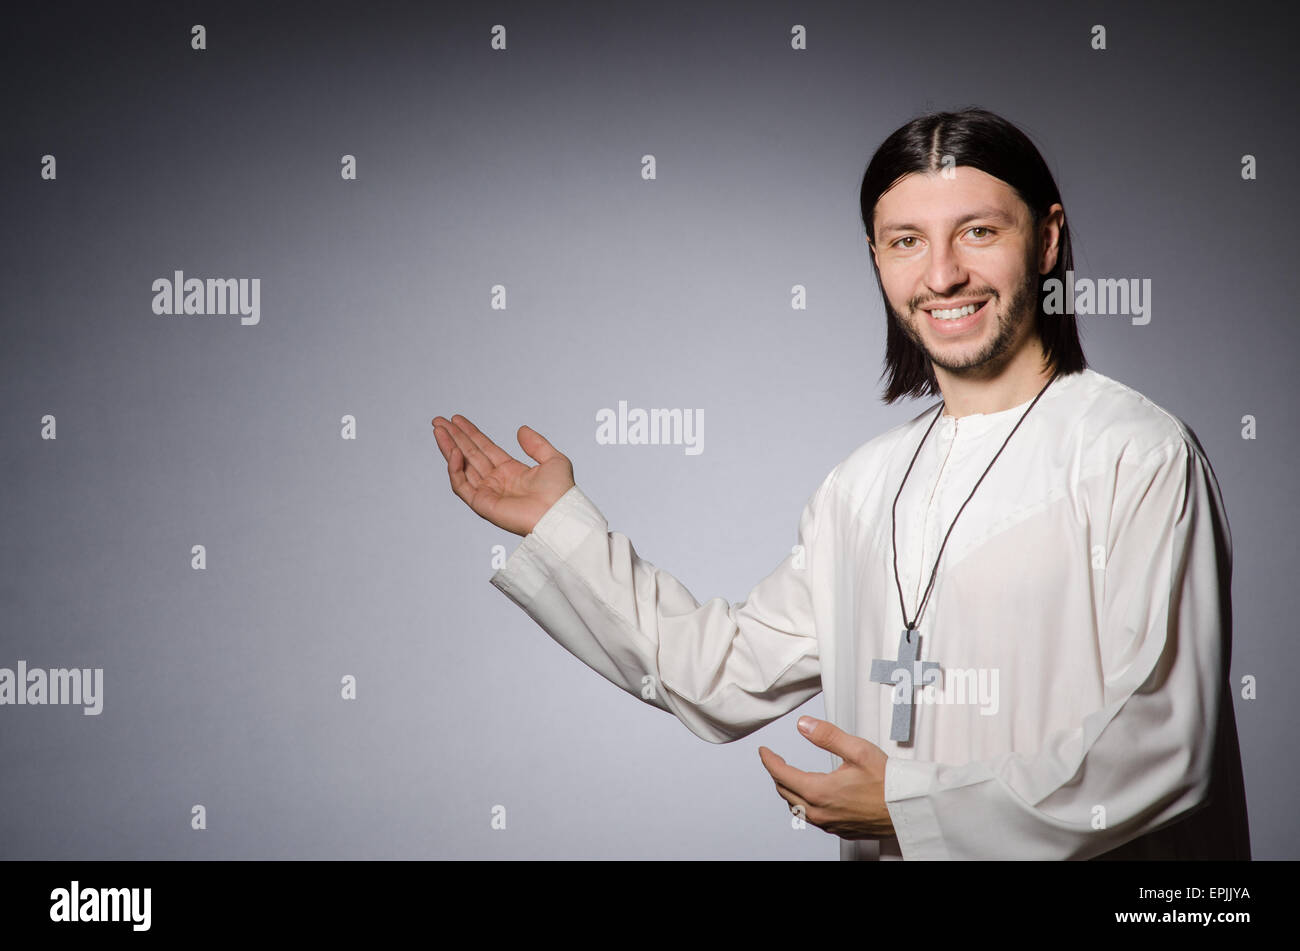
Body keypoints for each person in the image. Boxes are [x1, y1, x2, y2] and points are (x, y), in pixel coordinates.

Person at [431, 107, 1251, 860]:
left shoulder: (1134, 454)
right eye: (905, 241)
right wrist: (560, 528)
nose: (942, 274)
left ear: (1045, 240)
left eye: (976, 231)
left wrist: (913, 806)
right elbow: (716, 673)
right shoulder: (862, 486)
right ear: (875, 257)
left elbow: (1162, 738)